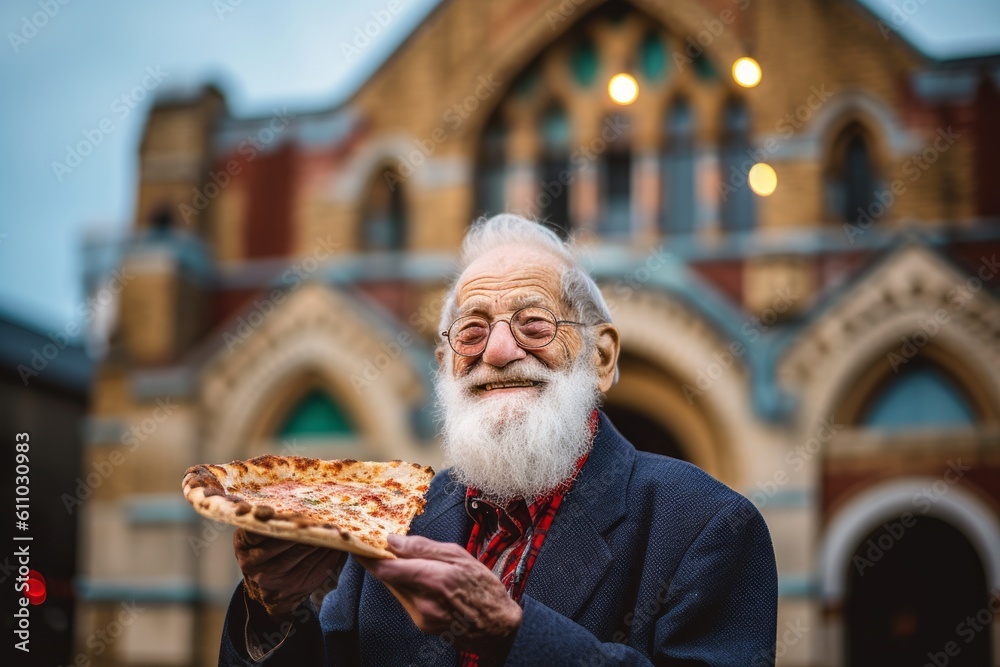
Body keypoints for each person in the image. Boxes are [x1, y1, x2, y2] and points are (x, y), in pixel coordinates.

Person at [219, 214, 778, 666]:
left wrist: (513, 633)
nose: (498, 352)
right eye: (472, 330)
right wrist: (276, 615)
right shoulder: (394, 519)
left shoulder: (707, 525)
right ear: (445, 363)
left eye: (534, 325)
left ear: (601, 356)